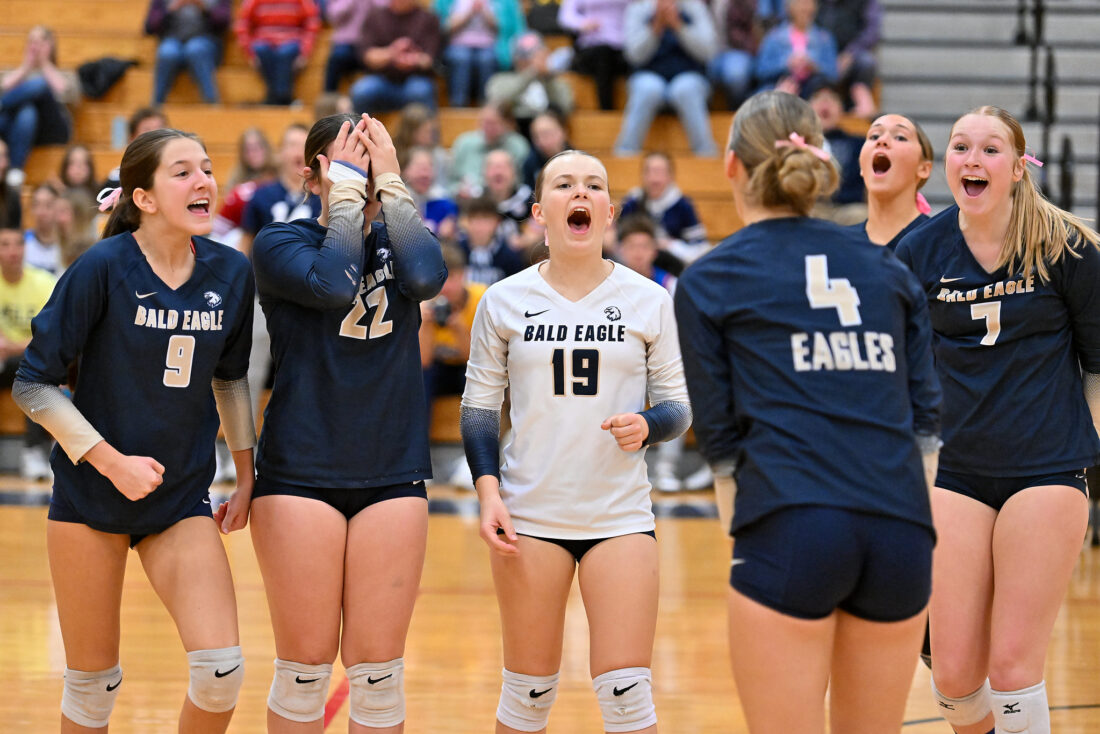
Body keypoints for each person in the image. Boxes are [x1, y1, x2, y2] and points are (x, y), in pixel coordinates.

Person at [674, 90, 941, 733]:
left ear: (732, 165)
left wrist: (746, 530)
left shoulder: (711, 278)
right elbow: (926, 415)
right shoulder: (886, 266)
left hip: (792, 521)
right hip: (901, 531)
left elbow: (719, 436)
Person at [13, 128, 256, 733]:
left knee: (222, 670)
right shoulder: (102, 266)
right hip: (92, 496)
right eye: (182, 172)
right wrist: (111, 461)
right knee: (93, 687)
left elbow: (229, 379)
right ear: (142, 198)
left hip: (178, 499)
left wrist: (247, 474)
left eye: (206, 166)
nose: (203, 180)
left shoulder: (230, 272)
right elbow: (33, 385)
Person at [461, 148, 692, 734]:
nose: (580, 193)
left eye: (594, 186)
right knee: (528, 695)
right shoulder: (503, 301)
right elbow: (480, 410)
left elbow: (678, 408)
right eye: (565, 184)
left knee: (626, 696)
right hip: (530, 516)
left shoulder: (649, 300)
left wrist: (649, 425)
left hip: (619, 516)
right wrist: (489, 493)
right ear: (541, 211)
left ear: (610, 211)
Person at [895, 105, 1100, 734]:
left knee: (1013, 669)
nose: (972, 160)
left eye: (989, 150)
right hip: (955, 470)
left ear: (1017, 166)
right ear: (947, 165)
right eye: (961, 148)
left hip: (1047, 467)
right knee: (954, 677)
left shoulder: (1067, 246)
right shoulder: (919, 249)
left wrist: (1087, 456)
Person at [249, 112, 446, 733]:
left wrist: (389, 180)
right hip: (301, 468)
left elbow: (427, 276)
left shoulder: (400, 240)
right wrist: (347, 195)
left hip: (392, 466)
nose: (359, 169)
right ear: (312, 176)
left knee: (380, 676)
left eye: (371, 155)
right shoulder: (280, 243)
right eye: (346, 158)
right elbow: (335, 281)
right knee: (304, 671)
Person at [614, 0, 719, 157]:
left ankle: (706, 154)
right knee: (648, 88)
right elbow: (634, 56)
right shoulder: (638, 9)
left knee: (685, 89)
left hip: (689, 75)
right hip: (648, 75)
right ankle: (625, 153)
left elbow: (708, 52)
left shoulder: (696, 8)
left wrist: (679, 26)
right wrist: (656, 27)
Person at [0, 214, 57, 480]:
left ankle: (33, 451)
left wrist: (12, 346)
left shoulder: (44, 282)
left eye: (18, 244)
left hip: (29, 358)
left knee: (37, 374)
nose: (13, 251)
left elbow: (51, 334)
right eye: (5, 245)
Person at [0, 26, 79, 188]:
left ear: (51, 45)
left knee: (40, 85)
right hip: (16, 130)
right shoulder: (12, 72)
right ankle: (15, 170)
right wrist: (26, 67)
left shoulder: (66, 74)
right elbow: (2, 87)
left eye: (41, 41)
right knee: (28, 112)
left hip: (53, 130)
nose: (35, 46)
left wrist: (44, 65)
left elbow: (69, 95)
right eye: (31, 41)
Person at [851, 111, 932, 250]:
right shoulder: (842, 244)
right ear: (862, 166)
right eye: (874, 136)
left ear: (923, 168)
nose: (881, 141)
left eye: (900, 137)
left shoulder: (941, 243)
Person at [618, 152, 709, 273]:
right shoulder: (631, 202)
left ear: (671, 176)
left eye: (660, 172)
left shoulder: (683, 206)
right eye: (649, 171)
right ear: (642, 176)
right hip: (631, 271)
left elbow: (701, 250)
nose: (654, 178)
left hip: (672, 271)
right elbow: (615, 242)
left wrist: (670, 245)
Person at [350, 0, 442, 114]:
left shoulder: (429, 18)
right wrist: (392, 53)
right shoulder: (375, 17)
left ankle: (429, 132)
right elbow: (368, 56)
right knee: (361, 90)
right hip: (381, 78)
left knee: (420, 91)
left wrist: (412, 60)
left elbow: (429, 59)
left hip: (415, 78)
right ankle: (356, 131)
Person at [485, 31, 575, 138]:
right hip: (513, 135)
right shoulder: (500, 80)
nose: (529, 61)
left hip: (548, 136)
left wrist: (547, 79)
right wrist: (531, 73)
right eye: (524, 57)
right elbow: (497, 102)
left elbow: (564, 108)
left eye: (534, 56)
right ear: (515, 58)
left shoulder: (556, 82)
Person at [435, 0, 524, 107]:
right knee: (461, 57)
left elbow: (501, 28)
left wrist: (484, 11)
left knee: (487, 59)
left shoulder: (500, 3)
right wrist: (470, 12)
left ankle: (486, 104)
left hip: (489, 45)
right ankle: (458, 104)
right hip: (458, 44)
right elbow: (445, 28)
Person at [234, 0, 321, 105]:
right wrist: (249, 54)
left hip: (291, 40)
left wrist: (305, 53)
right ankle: (281, 97)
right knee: (261, 49)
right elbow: (242, 23)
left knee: (285, 53)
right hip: (264, 41)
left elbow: (312, 22)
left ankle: (277, 97)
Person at [145, 0, 231, 105]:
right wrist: (171, 9)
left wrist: (204, 7)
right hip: (173, 39)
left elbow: (224, 21)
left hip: (206, 39)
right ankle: (156, 105)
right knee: (167, 52)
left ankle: (212, 102)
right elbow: (150, 26)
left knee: (195, 49)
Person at [755, 0, 837, 100]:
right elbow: (761, 71)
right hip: (781, 84)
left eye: (809, 3)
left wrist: (814, 67)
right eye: (801, 3)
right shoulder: (774, 37)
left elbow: (834, 75)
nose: (806, 8)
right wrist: (786, 63)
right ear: (790, 8)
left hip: (813, 89)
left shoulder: (825, 38)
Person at [557, 0, 630, 111]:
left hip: (624, 45)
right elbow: (566, 16)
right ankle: (606, 110)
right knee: (603, 55)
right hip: (593, 48)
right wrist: (582, 23)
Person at [450, 102, 531, 198]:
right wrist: (458, 190)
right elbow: (450, 182)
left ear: (507, 123)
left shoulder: (518, 145)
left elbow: (522, 182)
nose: (487, 127)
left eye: (493, 123)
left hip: (507, 202)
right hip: (469, 203)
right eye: (484, 122)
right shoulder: (464, 143)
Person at [815, 0, 881, 118]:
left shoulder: (865, 3)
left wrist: (850, 53)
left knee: (867, 62)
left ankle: (859, 103)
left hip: (852, 54)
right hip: (819, 53)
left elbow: (872, 32)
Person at [24, 182, 63, 274]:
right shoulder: (22, 241)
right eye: (36, 205)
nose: (41, 212)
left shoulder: (68, 245)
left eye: (48, 205)